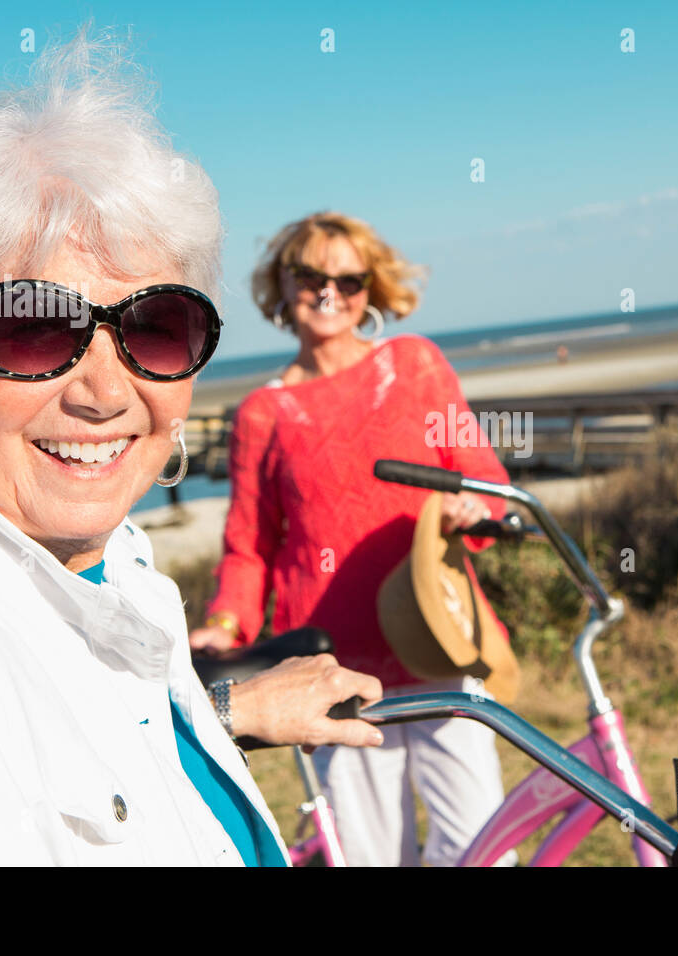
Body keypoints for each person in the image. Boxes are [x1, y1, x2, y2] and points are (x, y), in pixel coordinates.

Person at [0, 33, 384, 866]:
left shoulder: (81, 565)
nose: (105, 392)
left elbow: (63, 720)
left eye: (158, 327)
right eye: (29, 327)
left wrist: (215, 714)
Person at [190, 212, 514, 866]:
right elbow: (248, 546)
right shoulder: (263, 412)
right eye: (310, 273)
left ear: (372, 288)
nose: (329, 289)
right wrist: (224, 622)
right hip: (332, 667)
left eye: (349, 277)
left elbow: (483, 477)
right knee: (369, 857)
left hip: (436, 642)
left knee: (480, 849)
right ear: (282, 284)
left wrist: (470, 508)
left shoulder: (415, 364)